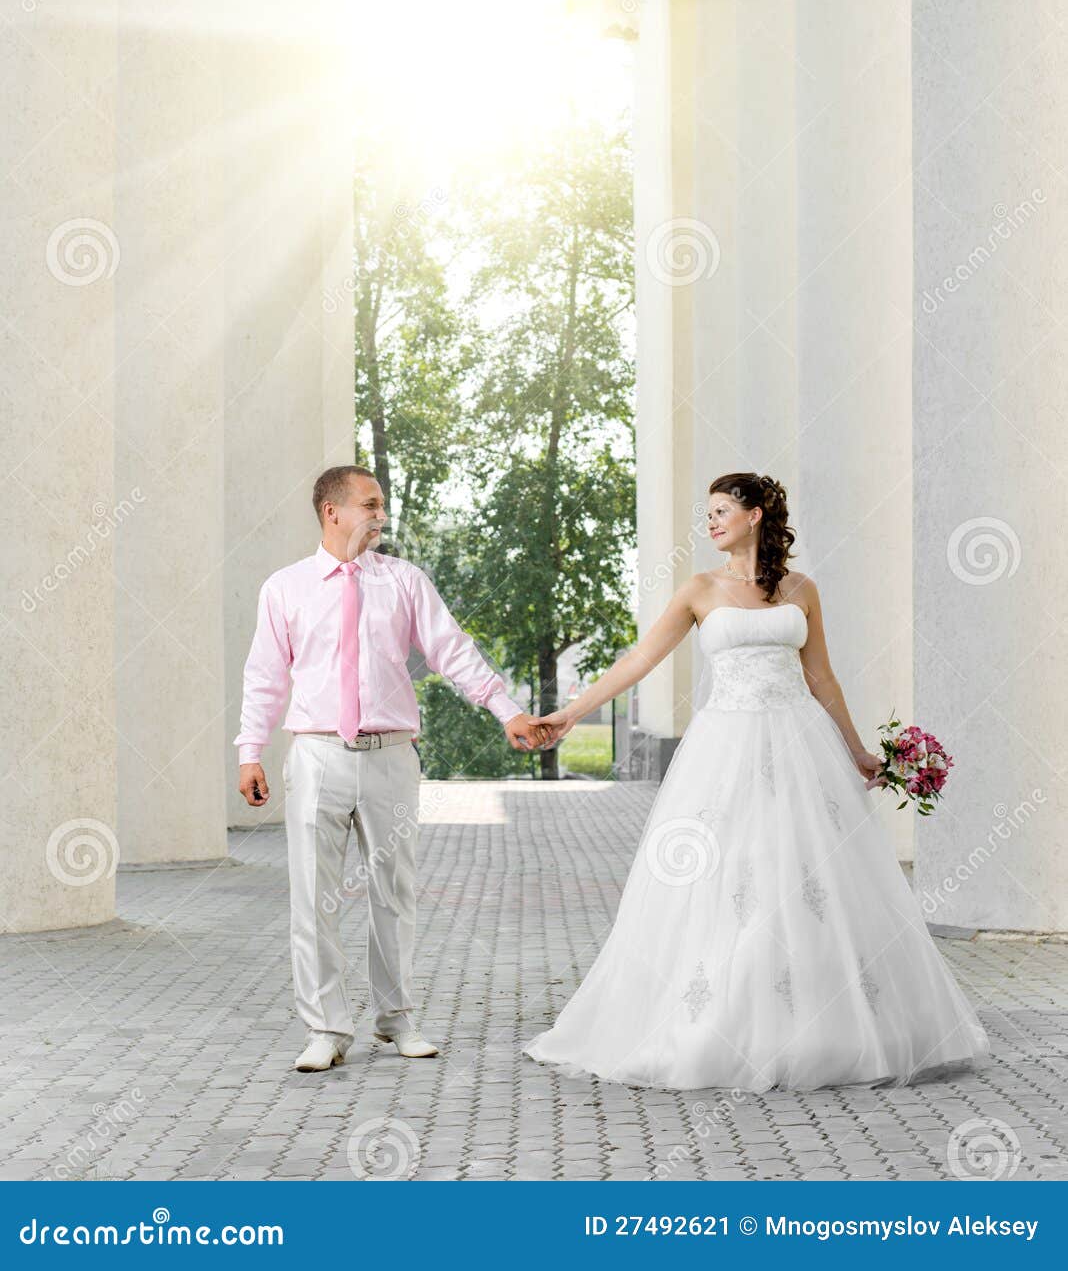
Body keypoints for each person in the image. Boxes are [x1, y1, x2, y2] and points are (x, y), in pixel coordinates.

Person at [523, 472, 991, 1091]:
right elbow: (640, 659)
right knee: (729, 879)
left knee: (807, 874)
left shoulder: (802, 589)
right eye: (708, 512)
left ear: (755, 516)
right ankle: (721, 1022)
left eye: (721, 510)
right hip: (726, 748)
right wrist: (569, 713)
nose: (711, 522)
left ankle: (825, 1026)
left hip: (801, 743)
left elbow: (821, 678)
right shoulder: (700, 589)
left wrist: (856, 749)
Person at [235, 464, 543, 1072]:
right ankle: (326, 1029)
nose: (381, 514)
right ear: (333, 512)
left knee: (394, 894)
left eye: (381, 505)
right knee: (313, 898)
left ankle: (396, 1020)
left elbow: (452, 650)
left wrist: (505, 709)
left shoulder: (404, 581)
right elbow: (265, 677)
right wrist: (250, 752)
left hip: (391, 757)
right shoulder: (285, 588)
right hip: (317, 755)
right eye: (370, 504)